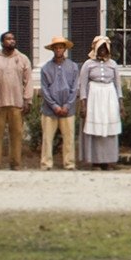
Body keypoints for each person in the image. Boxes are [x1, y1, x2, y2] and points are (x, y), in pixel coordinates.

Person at [0, 30, 33, 170]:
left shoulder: (22, 59)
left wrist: (28, 100)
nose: (11, 41)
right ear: (2, 42)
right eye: (8, 39)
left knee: (17, 134)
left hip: (17, 103)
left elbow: (28, 81)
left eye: (13, 39)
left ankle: (15, 163)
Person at [75, 35, 123, 170]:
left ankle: (107, 160)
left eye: (105, 48)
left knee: (108, 127)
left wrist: (121, 104)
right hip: (94, 96)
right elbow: (82, 85)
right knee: (94, 128)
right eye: (100, 48)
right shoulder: (88, 64)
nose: (102, 51)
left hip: (109, 95)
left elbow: (118, 85)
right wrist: (83, 104)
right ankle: (94, 160)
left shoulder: (113, 65)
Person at [38, 36, 79, 170]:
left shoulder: (73, 67)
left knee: (69, 139)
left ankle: (69, 163)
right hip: (50, 110)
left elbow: (74, 88)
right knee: (47, 139)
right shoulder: (45, 68)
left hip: (68, 108)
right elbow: (45, 89)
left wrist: (67, 105)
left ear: (65, 49)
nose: (58, 50)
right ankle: (46, 163)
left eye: (61, 47)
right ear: (53, 49)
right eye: (56, 48)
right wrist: (54, 106)